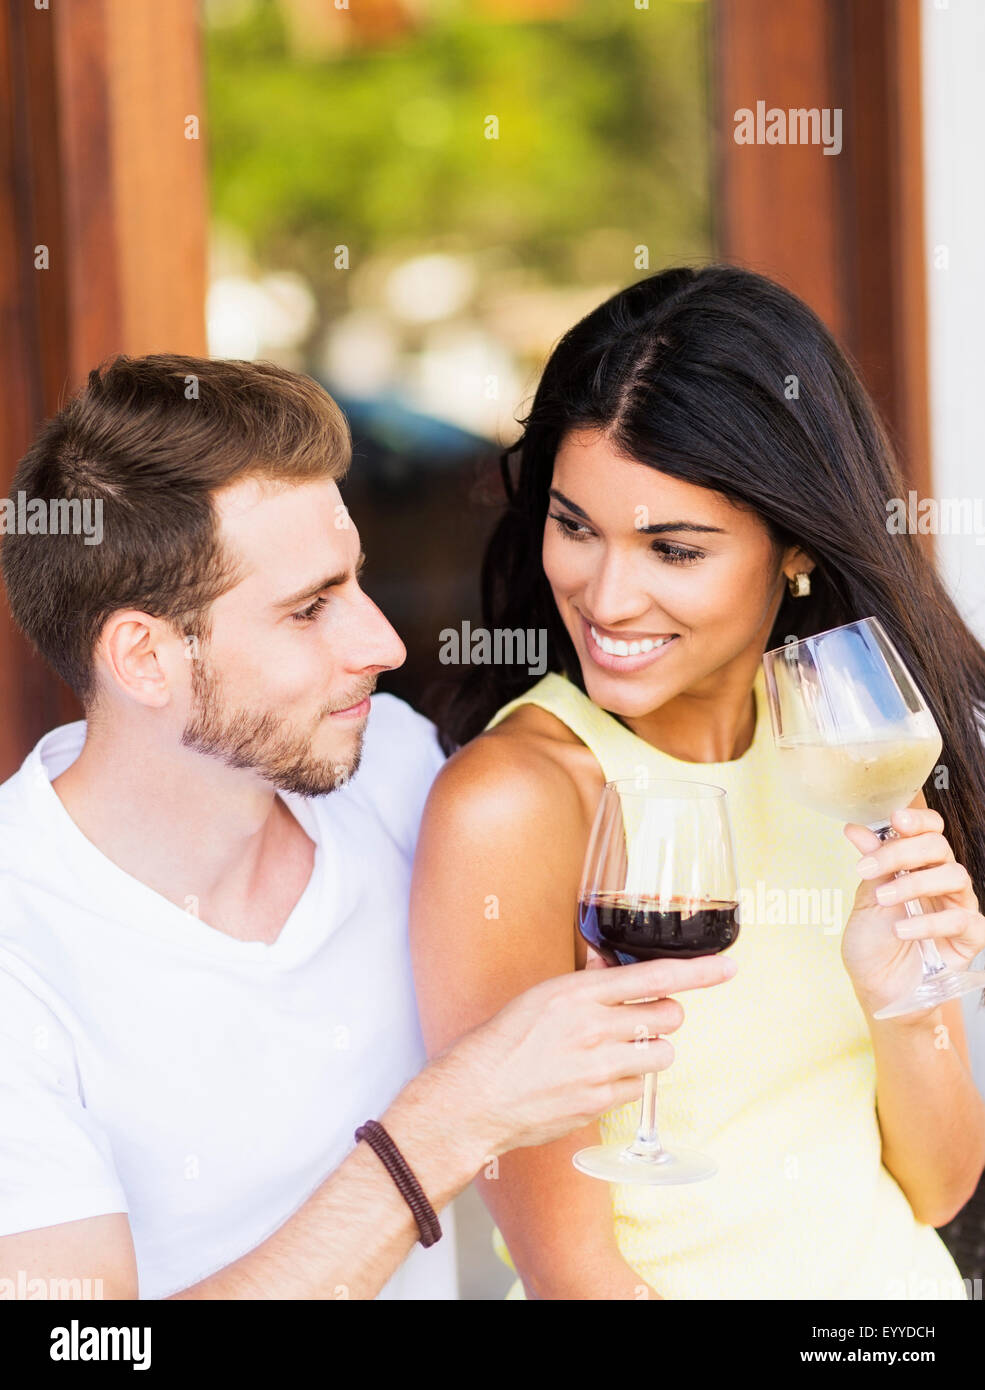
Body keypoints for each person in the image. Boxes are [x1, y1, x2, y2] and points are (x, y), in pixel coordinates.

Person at [0, 353, 738, 1301]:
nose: (385, 646)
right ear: (145, 658)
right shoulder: (19, 952)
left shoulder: (390, 767)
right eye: (309, 608)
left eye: (356, 582)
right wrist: (441, 1128)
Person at [410, 263, 985, 1301]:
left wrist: (906, 999)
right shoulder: (515, 802)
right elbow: (572, 1274)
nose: (606, 593)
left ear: (798, 540)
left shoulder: (851, 755)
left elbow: (938, 1186)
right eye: (574, 525)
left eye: (672, 548)